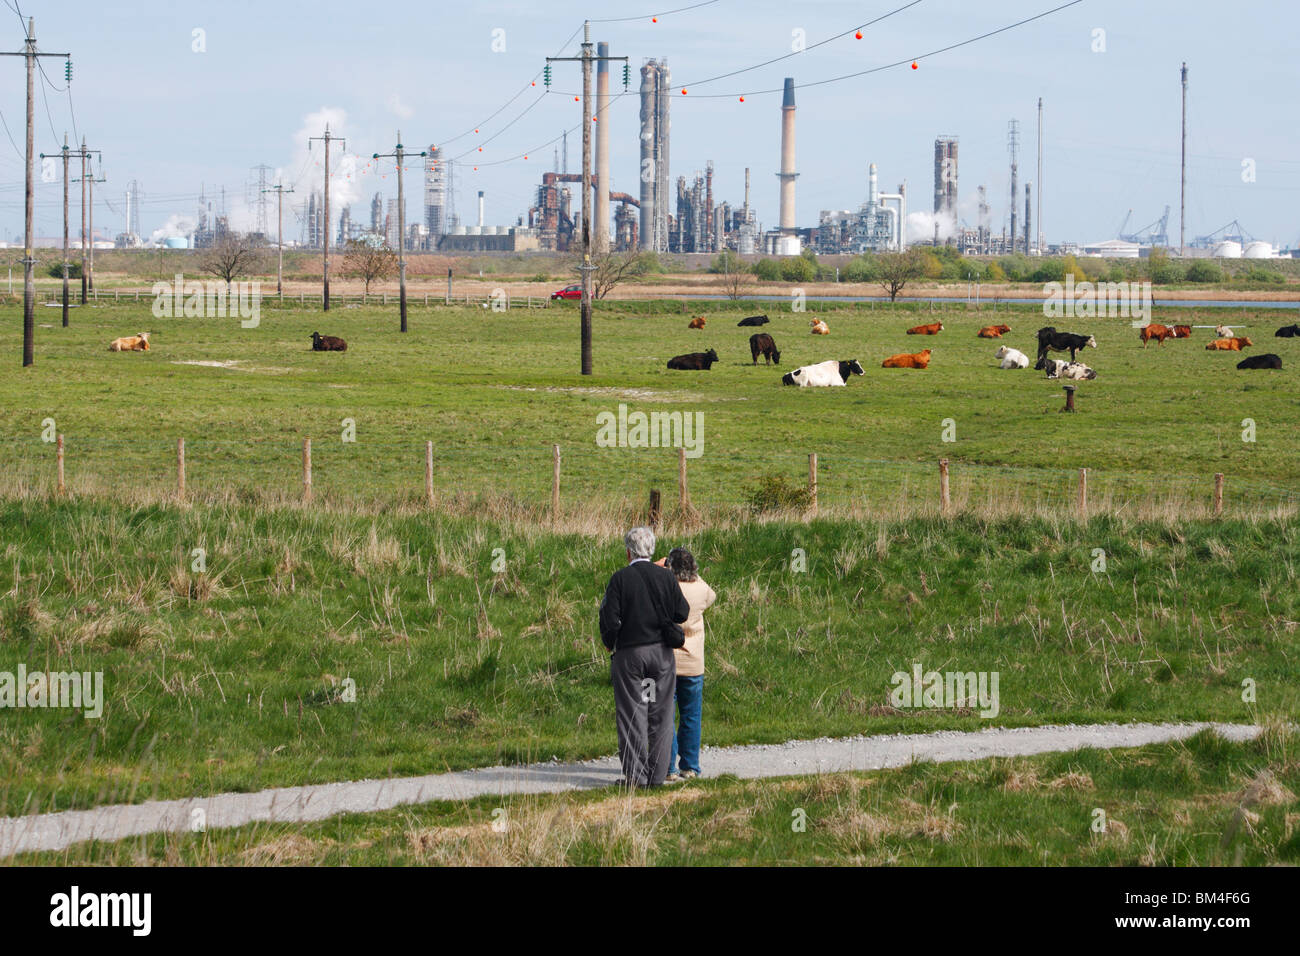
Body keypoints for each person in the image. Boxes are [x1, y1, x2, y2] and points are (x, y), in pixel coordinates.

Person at [599, 526, 689, 788]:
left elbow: (610, 619)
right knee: (661, 714)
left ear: (629, 552)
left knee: (632, 715)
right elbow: (681, 612)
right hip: (661, 654)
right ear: (652, 550)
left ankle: (636, 777)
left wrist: (609, 642)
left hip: (630, 655)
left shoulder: (620, 579)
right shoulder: (666, 578)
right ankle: (658, 776)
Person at [661, 548, 717, 782]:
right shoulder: (702, 590)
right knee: (691, 716)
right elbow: (711, 594)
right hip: (694, 663)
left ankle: (669, 768)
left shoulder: (667, 589)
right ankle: (690, 766)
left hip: (669, 662)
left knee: (666, 717)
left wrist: (661, 564)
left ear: (670, 568)